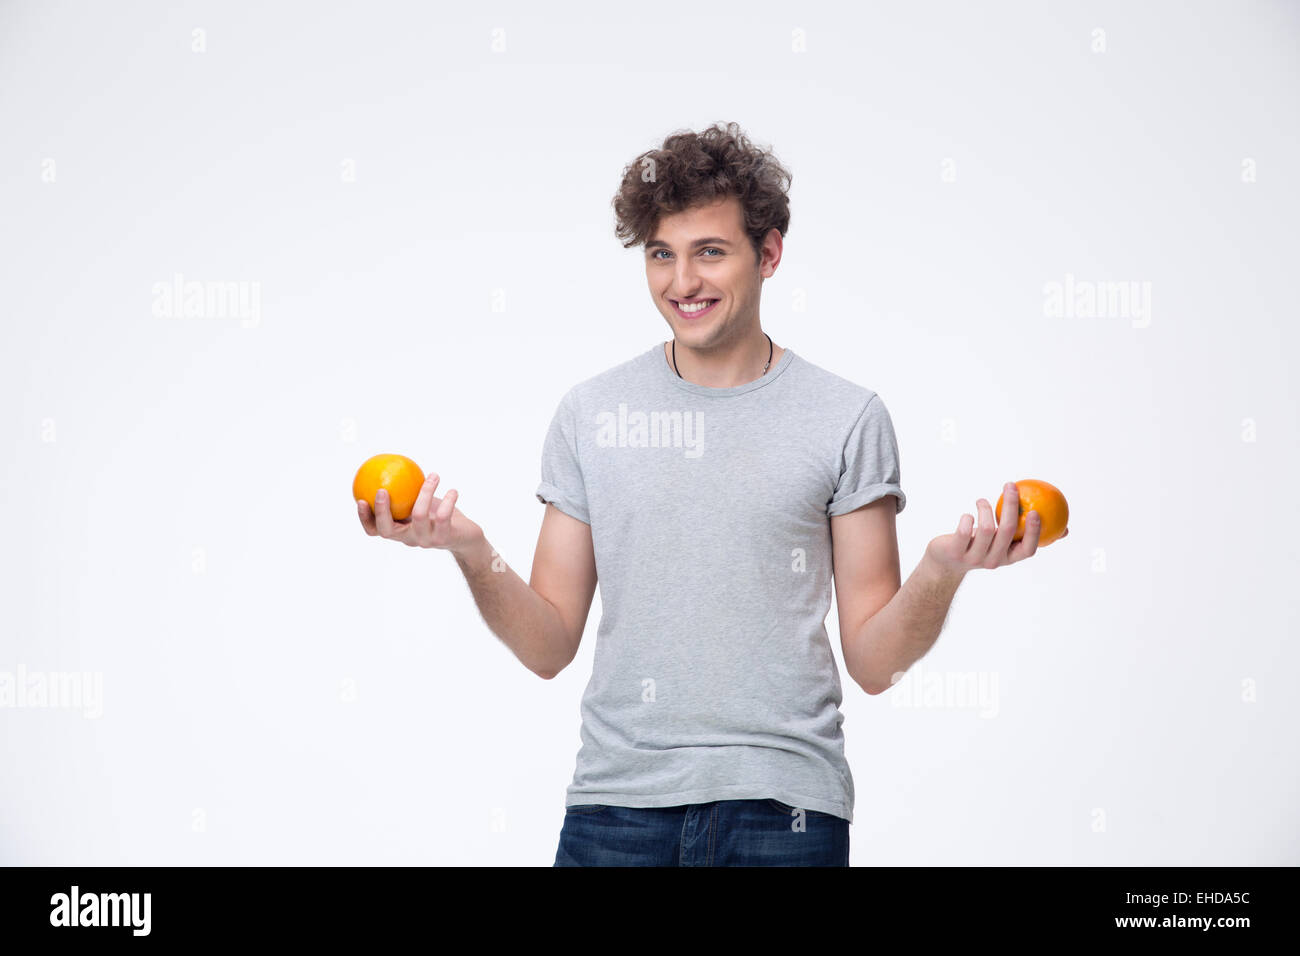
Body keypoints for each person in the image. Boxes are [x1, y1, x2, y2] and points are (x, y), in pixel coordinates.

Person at [356, 122, 1065, 866]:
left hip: (785, 811)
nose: (682, 282)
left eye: (710, 252)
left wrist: (941, 572)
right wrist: (470, 549)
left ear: (769, 254)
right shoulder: (592, 414)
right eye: (662, 254)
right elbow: (548, 646)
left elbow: (874, 665)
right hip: (615, 810)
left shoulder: (847, 418)